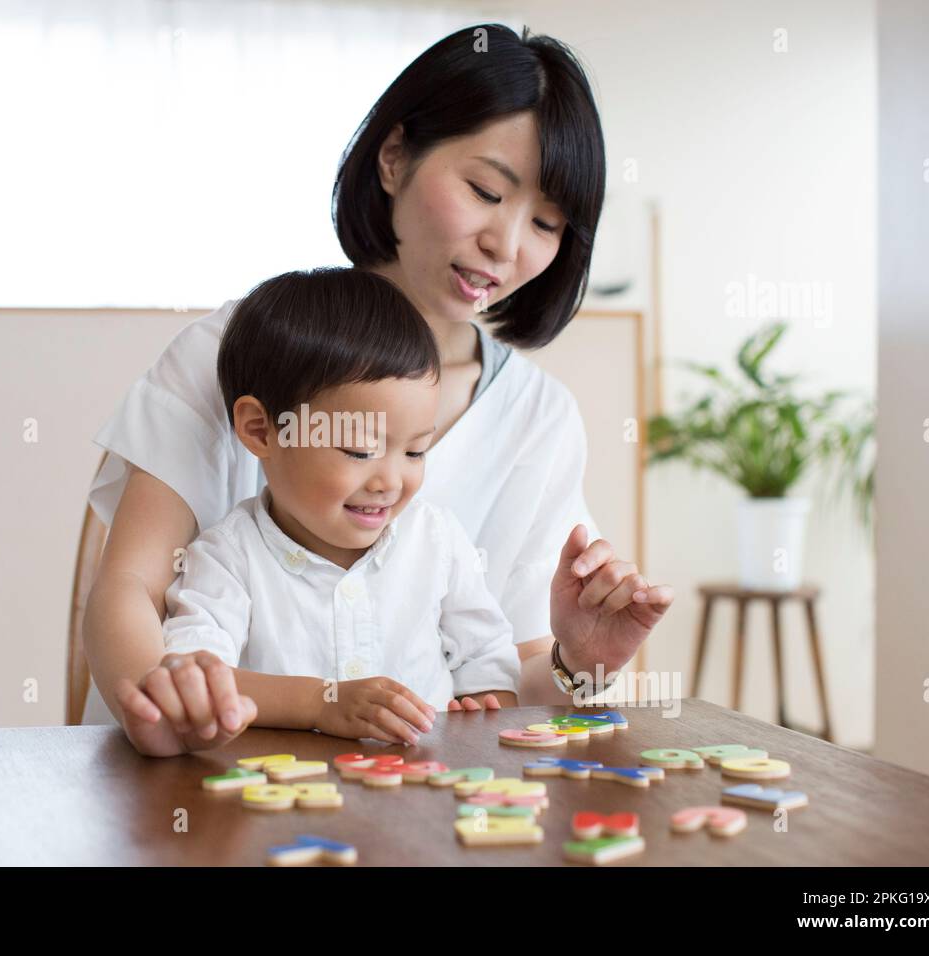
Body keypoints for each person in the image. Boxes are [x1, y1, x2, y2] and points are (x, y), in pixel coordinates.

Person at [83, 24, 675, 756]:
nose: (507, 243)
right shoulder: (233, 353)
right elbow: (129, 591)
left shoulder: (539, 419)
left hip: (402, 818)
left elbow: (495, 684)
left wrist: (575, 660)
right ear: (393, 159)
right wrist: (167, 704)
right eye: (485, 190)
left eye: (546, 222)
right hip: (197, 799)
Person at [161, 267, 522, 743]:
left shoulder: (436, 540)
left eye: (415, 451)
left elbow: (489, 662)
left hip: (420, 802)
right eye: (358, 451)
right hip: (281, 804)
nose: (390, 481)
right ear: (262, 430)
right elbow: (198, 679)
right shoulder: (228, 558)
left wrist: (488, 702)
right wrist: (319, 701)